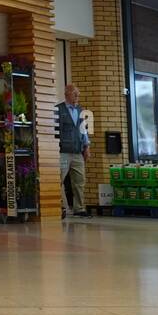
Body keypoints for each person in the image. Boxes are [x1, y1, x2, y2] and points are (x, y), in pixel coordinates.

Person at [56, 84, 90, 218]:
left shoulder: (80, 110)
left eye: (78, 94)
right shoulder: (58, 110)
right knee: (59, 179)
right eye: (75, 94)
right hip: (63, 152)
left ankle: (79, 208)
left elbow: (84, 130)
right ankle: (60, 207)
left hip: (77, 152)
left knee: (79, 181)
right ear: (67, 94)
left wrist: (87, 147)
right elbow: (55, 132)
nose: (77, 96)